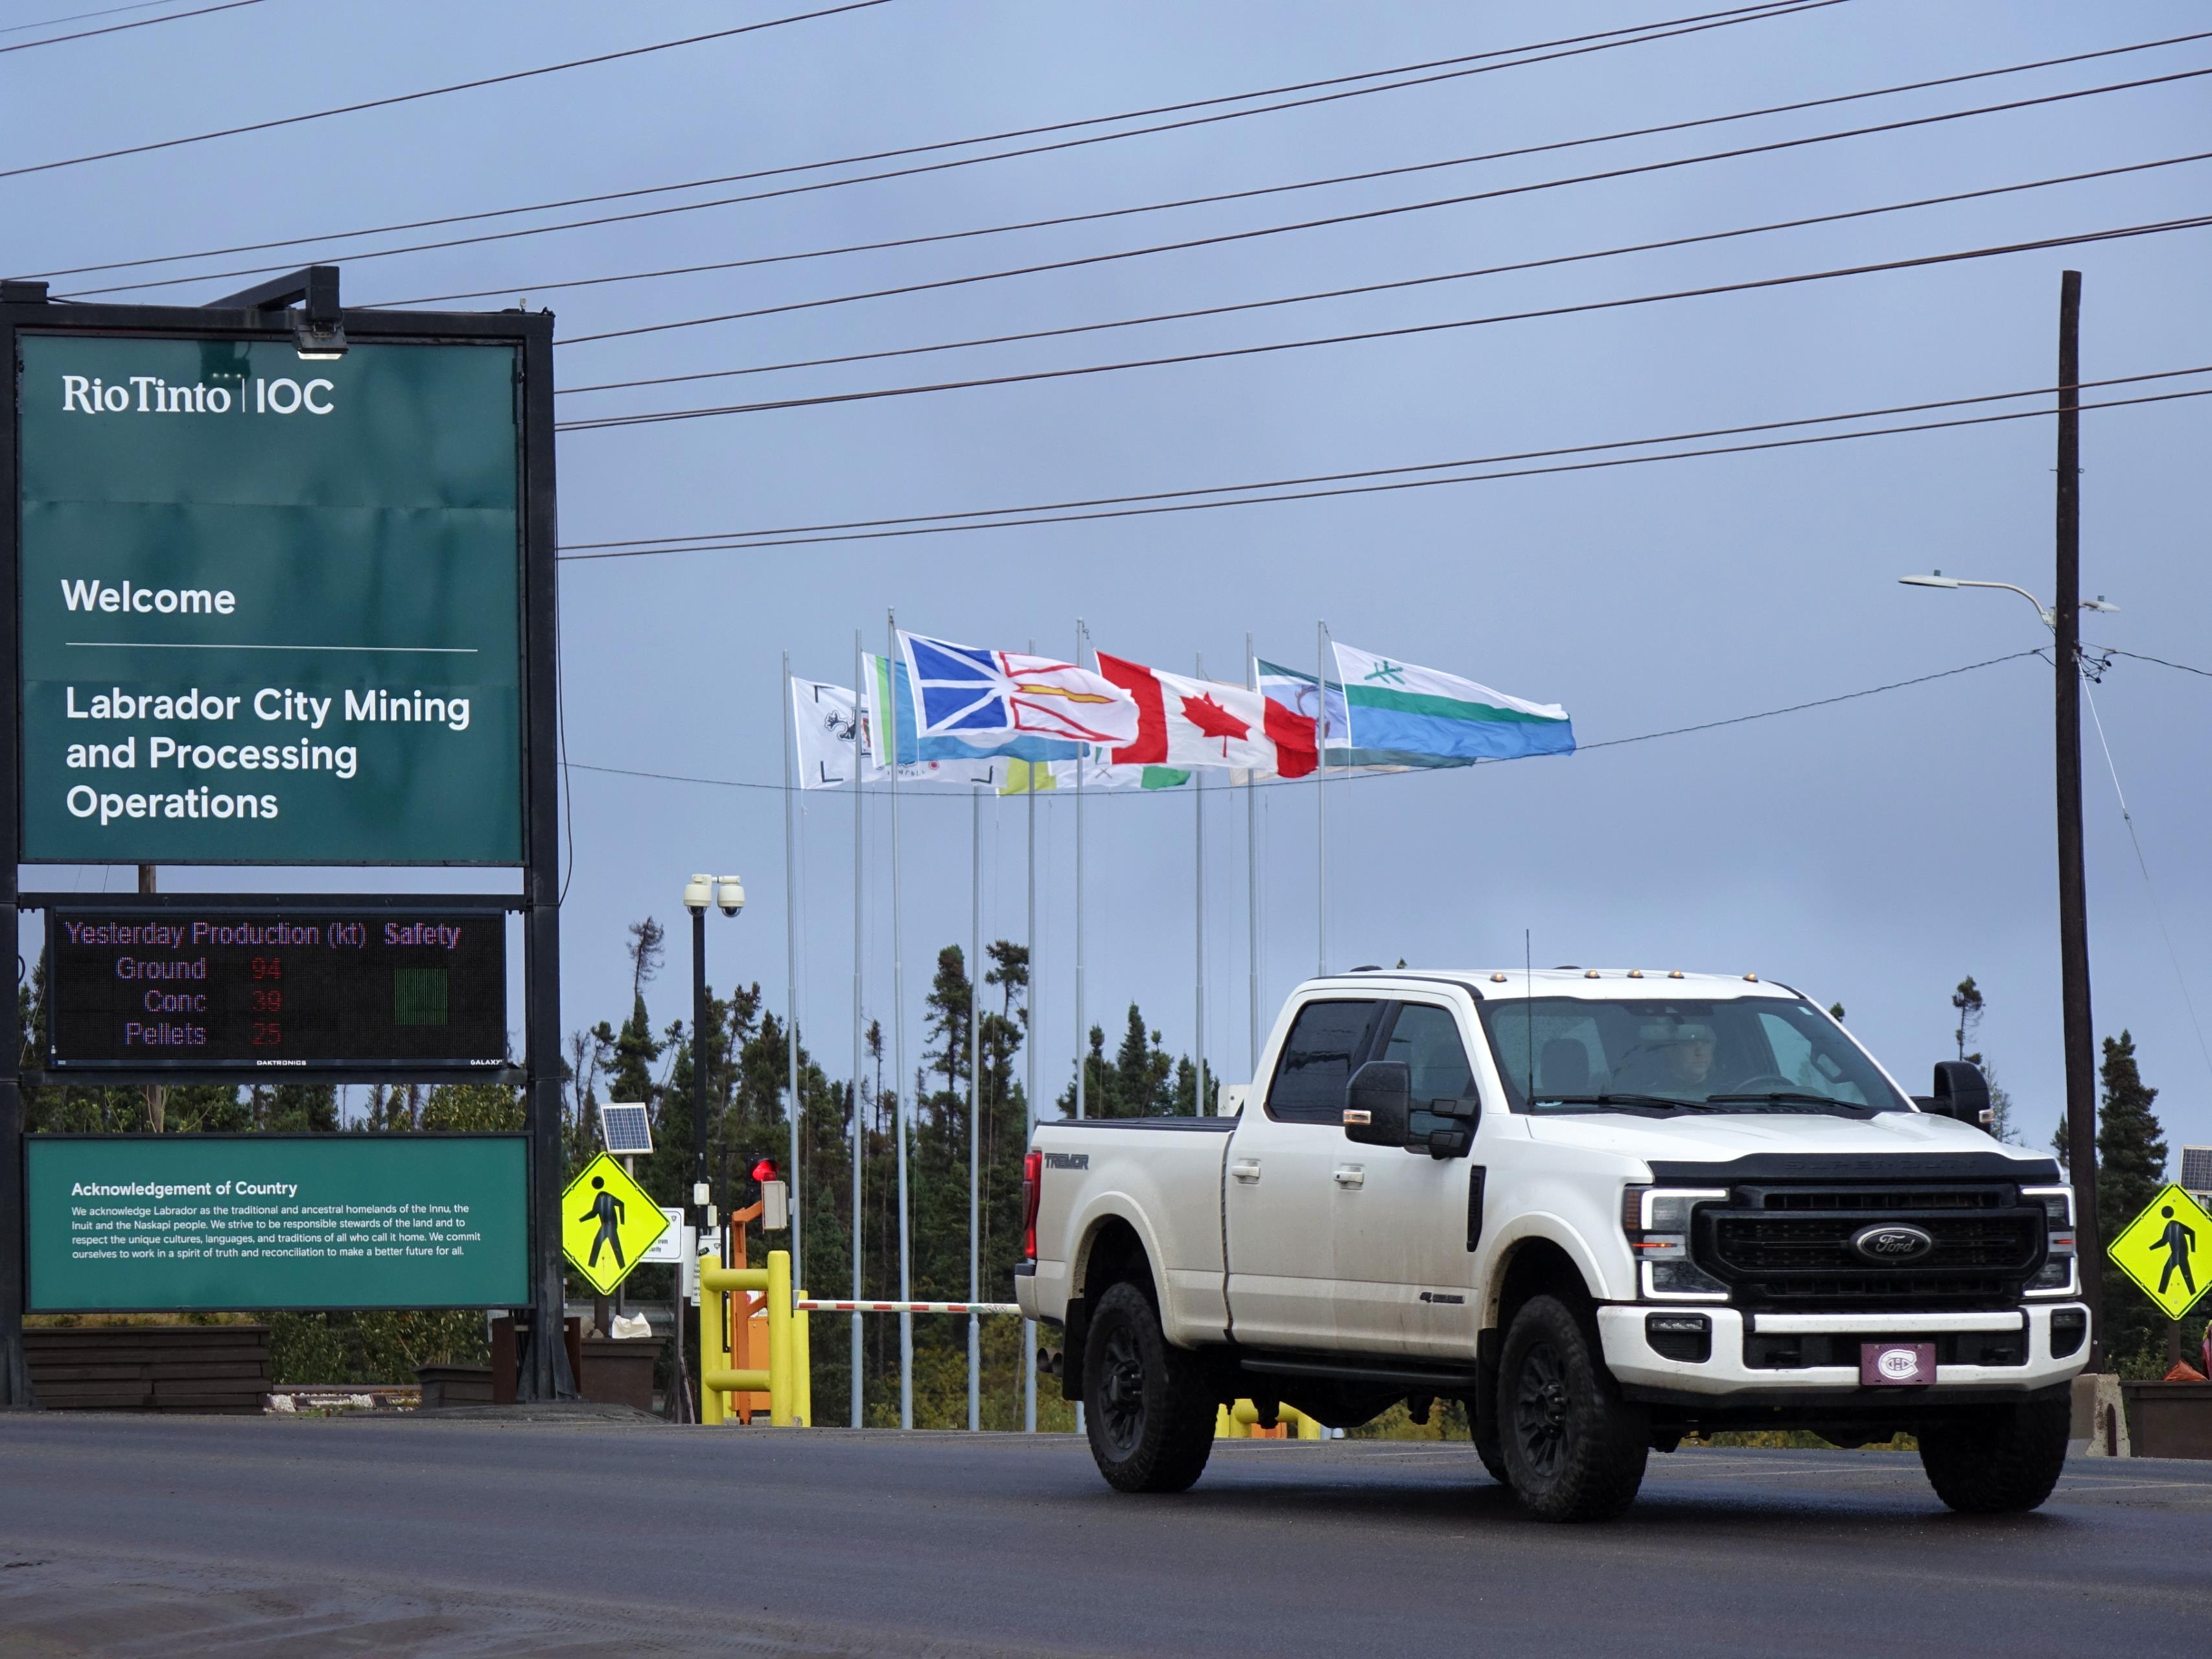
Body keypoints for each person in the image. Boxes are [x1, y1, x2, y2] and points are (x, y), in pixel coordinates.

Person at [1619, 1019, 1722, 1098]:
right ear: (1672, 1051)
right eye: (1690, 1044)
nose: (1700, 1052)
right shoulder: (1640, 1092)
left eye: (1706, 1043)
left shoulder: (1731, 1090)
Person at [581, 1175, 627, 1272]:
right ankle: (592, 1266)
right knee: (606, 1245)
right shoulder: (601, 1197)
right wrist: (581, 1220)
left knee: (611, 1246)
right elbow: (594, 1213)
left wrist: (623, 1222)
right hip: (607, 1225)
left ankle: (621, 1267)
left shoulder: (606, 1196)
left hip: (610, 1225)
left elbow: (622, 1204)